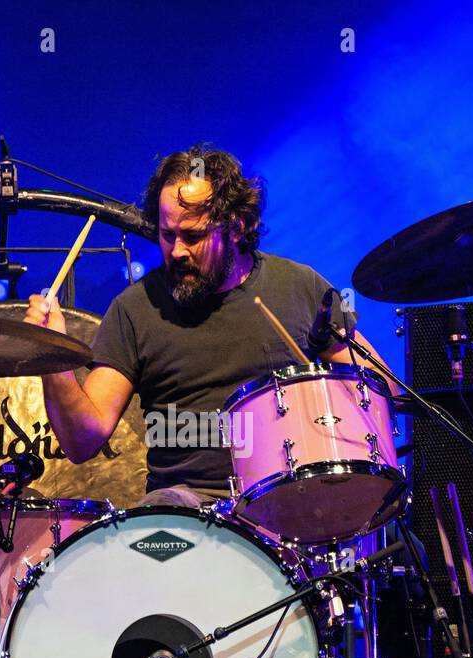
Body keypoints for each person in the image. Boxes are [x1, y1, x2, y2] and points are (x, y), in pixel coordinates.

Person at [24, 144, 387, 507]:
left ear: (238, 226)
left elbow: (382, 388)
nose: (178, 251)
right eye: (167, 235)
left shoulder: (300, 287)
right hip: (186, 509)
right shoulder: (135, 308)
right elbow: (82, 441)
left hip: (292, 500)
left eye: (193, 236)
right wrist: (52, 357)